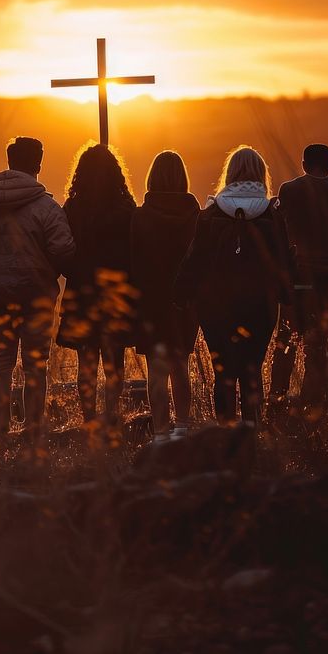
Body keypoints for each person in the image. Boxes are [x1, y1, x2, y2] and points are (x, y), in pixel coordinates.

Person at [0, 137, 74, 441]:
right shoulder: (46, 207)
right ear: (37, 164)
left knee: (2, 361)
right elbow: (64, 252)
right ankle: (33, 430)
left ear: (10, 161)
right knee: (35, 364)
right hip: (35, 295)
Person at [175, 146, 290, 425]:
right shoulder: (272, 214)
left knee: (223, 373)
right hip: (260, 306)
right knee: (252, 371)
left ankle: (226, 436)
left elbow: (194, 259)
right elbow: (284, 260)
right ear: (261, 175)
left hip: (215, 308)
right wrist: (288, 298)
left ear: (230, 173)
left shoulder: (212, 212)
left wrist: (181, 295)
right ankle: (252, 435)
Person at [57, 143, 137, 432]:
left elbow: (64, 250)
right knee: (114, 361)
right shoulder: (126, 209)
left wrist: (75, 272)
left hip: (82, 292)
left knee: (86, 360)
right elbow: (133, 254)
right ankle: (112, 415)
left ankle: (89, 418)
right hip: (115, 293)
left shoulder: (73, 208)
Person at [269, 144, 328, 418]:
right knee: (316, 345)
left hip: (297, 278)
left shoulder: (289, 190)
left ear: (304, 164)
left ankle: (277, 403)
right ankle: (311, 406)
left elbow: (280, 230)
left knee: (285, 342)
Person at [131, 151, 200, 442]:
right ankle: (182, 428)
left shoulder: (141, 216)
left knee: (155, 371)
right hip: (184, 301)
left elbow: (133, 261)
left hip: (150, 301)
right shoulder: (196, 215)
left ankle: (160, 432)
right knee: (180, 364)